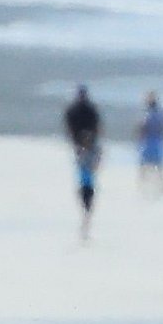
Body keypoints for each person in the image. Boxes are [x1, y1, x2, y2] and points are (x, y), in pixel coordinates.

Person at [64, 85, 101, 239]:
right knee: (87, 197)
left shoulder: (73, 109)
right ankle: (86, 223)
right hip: (87, 146)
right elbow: (96, 126)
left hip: (80, 145)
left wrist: (75, 141)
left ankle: (85, 223)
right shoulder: (91, 109)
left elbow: (69, 125)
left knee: (84, 195)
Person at [137, 93, 163, 196]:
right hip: (158, 143)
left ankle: (143, 186)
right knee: (159, 167)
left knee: (144, 166)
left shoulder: (147, 116)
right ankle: (160, 188)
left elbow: (141, 129)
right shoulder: (161, 115)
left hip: (148, 143)